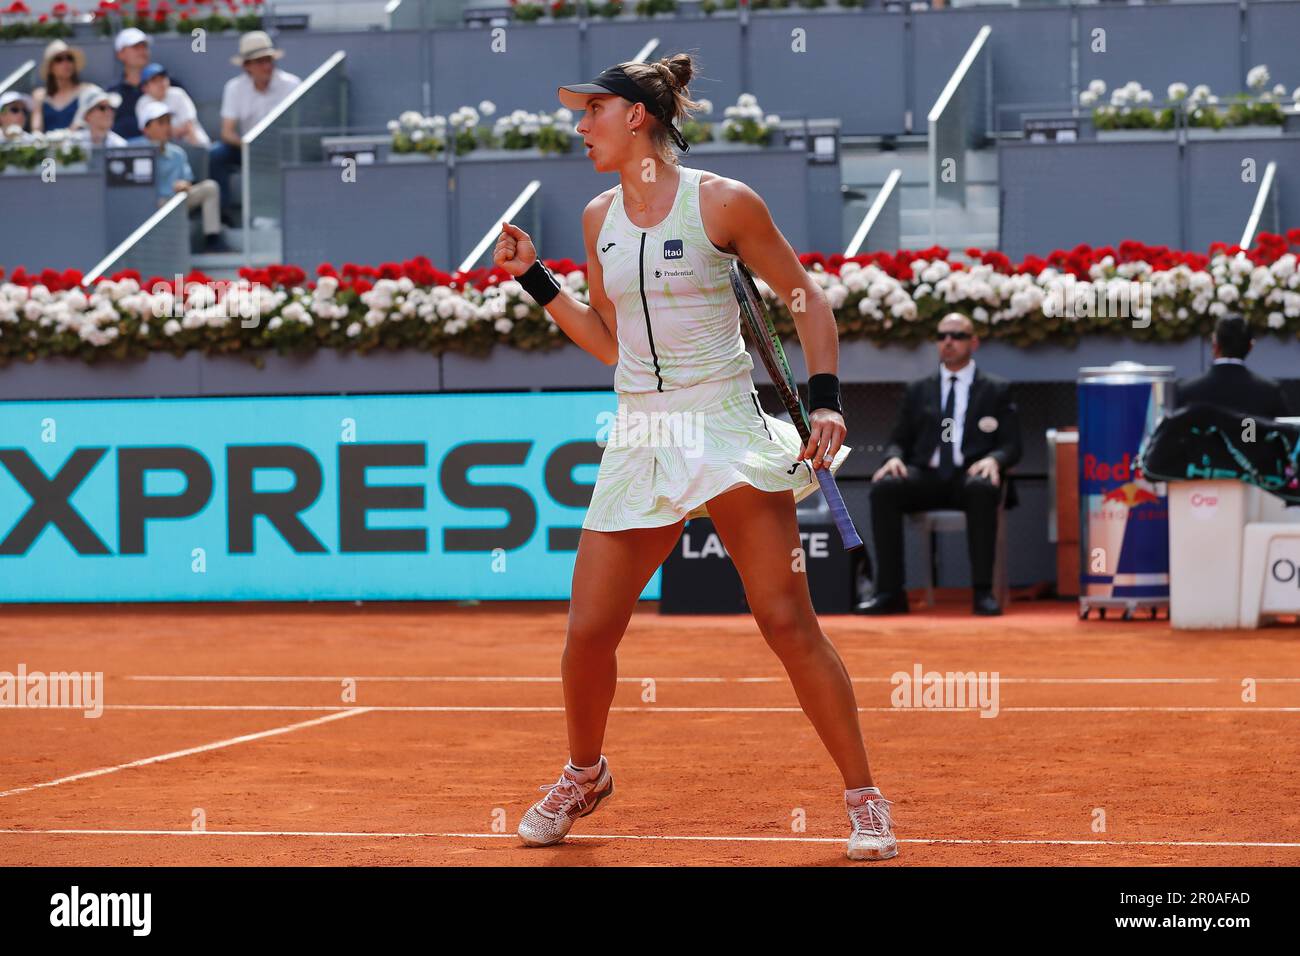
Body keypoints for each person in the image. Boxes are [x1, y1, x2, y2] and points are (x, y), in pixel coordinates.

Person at [493, 54, 898, 862]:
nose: (580, 127)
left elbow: (806, 301)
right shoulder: (596, 216)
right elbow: (610, 343)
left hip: (722, 423)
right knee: (588, 632)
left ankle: (865, 798)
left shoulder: (724, 203)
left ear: (636, 116)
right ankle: (585, 774)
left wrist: (825, 400)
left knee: (786, 622)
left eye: (592, 112)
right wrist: (535, 279)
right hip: (642, 429)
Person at [858, 312, 1022, 617]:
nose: (948, 342)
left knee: (982, 487)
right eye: (942, 336)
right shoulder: (919, 389)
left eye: (957, 336)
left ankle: (983, 593)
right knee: (885, 488)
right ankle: (890, 593)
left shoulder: (996, 389)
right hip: (927, 476)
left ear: (973, 342)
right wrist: (893, 457)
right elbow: (898, 439)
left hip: (969, 476)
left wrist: (993, 460)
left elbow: (1012, 445)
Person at [209, 31, 302, 224]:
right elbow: (227, 132)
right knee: (217, 155)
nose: (267, 66)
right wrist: (248, 145)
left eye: (268, 59)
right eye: (260, 61)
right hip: (247, 149)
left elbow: (299, 125)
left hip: (283, 149)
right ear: (247, 66)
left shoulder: (291, 85)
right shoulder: (234, 88)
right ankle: (222, 218)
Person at [131, 101, 230, 253]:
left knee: (210, 187)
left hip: (176, 202)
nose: (167, 127)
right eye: (161, 122)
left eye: (168, 122)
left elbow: (187, 180)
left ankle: (212, 241)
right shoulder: (133, 151)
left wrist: (184, 185)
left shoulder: (178, 153)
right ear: (146, 128)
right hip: (148, 206)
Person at [1176, 314, 1290, 420]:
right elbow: (1288, 436)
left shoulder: (1187, 392)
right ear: (1250, 346)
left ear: (1215, 345)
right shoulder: (1270, 392)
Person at [136, 63, 209, 147]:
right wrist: (170, 132)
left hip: (188, 139)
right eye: (155, 81)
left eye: (163, 78)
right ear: (145, 88)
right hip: (159, 145)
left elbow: (188, 125)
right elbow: (148, 131)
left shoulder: (178, 94)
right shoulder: (142, 103)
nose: (161, 83)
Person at [31, 40, 90, 133]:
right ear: (50, 67)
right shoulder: (40, 96)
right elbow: (36, 129)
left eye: (69, 58)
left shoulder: (86, 91)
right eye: (59, 59)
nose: (66, 63)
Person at [108, 27, 154, 141]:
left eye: (144, 46)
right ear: (120, 54)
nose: (142, 51)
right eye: (135, 47)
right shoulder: (111, 92)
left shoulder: (168, 84)